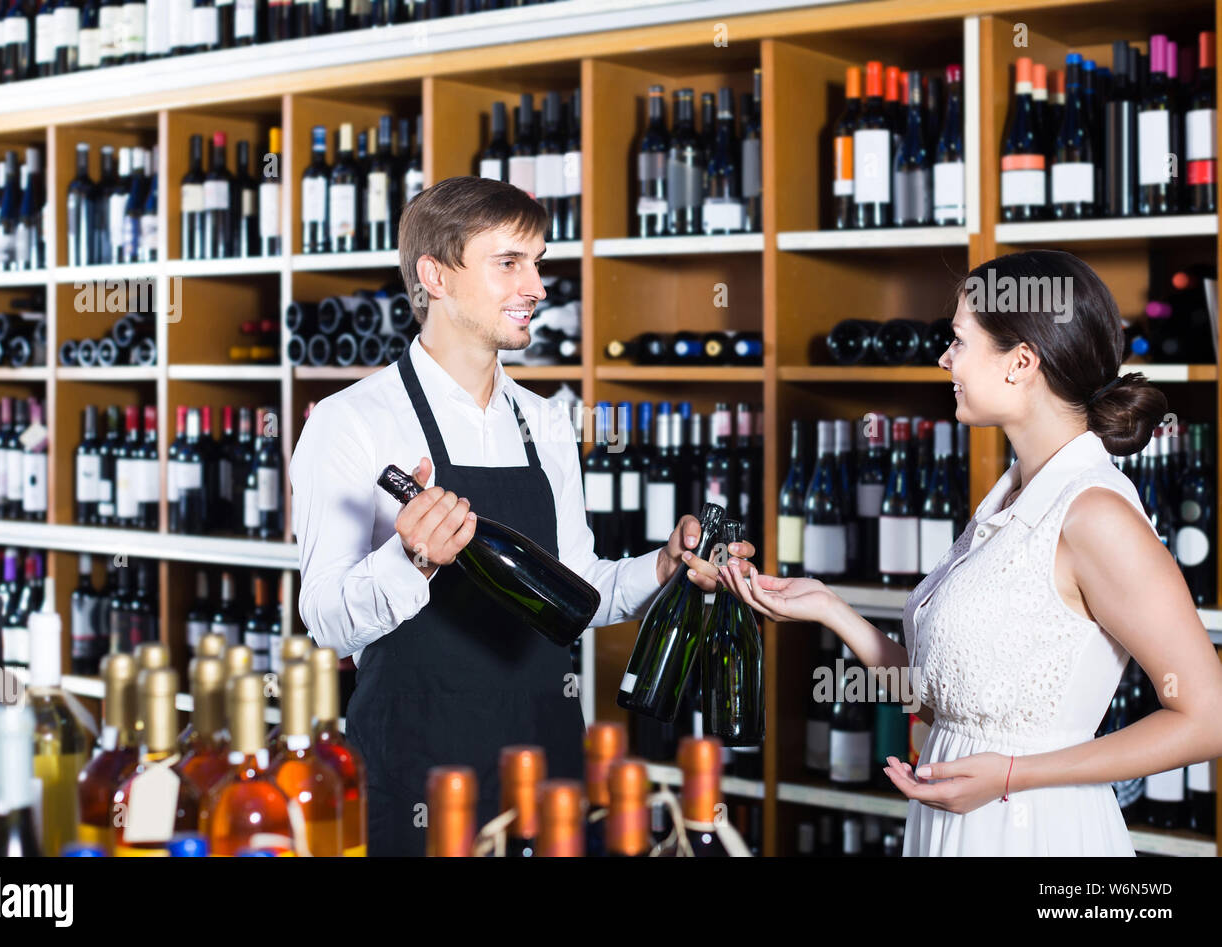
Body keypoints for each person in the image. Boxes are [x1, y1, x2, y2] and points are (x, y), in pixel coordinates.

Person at [290, 175, 751, 856]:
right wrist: (409, 558)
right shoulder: (350, 421)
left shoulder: (545, 423)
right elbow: (325, 620)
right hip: (416, 771)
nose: (536, 285)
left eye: (538, 262)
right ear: (434, 276)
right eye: (509, 263)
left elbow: (575, 593)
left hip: (547, 764)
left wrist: (663, 565)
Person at [721, 250, 1222, 855]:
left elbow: (1208, 716)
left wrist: (1014, 776)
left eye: (957, 340)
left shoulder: (1094, 515)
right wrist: (831, 610)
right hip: (960, 823)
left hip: (1035, 830)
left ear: (1020, 362)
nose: (943, 359)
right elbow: (947, 701)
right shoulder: (1012, 498)